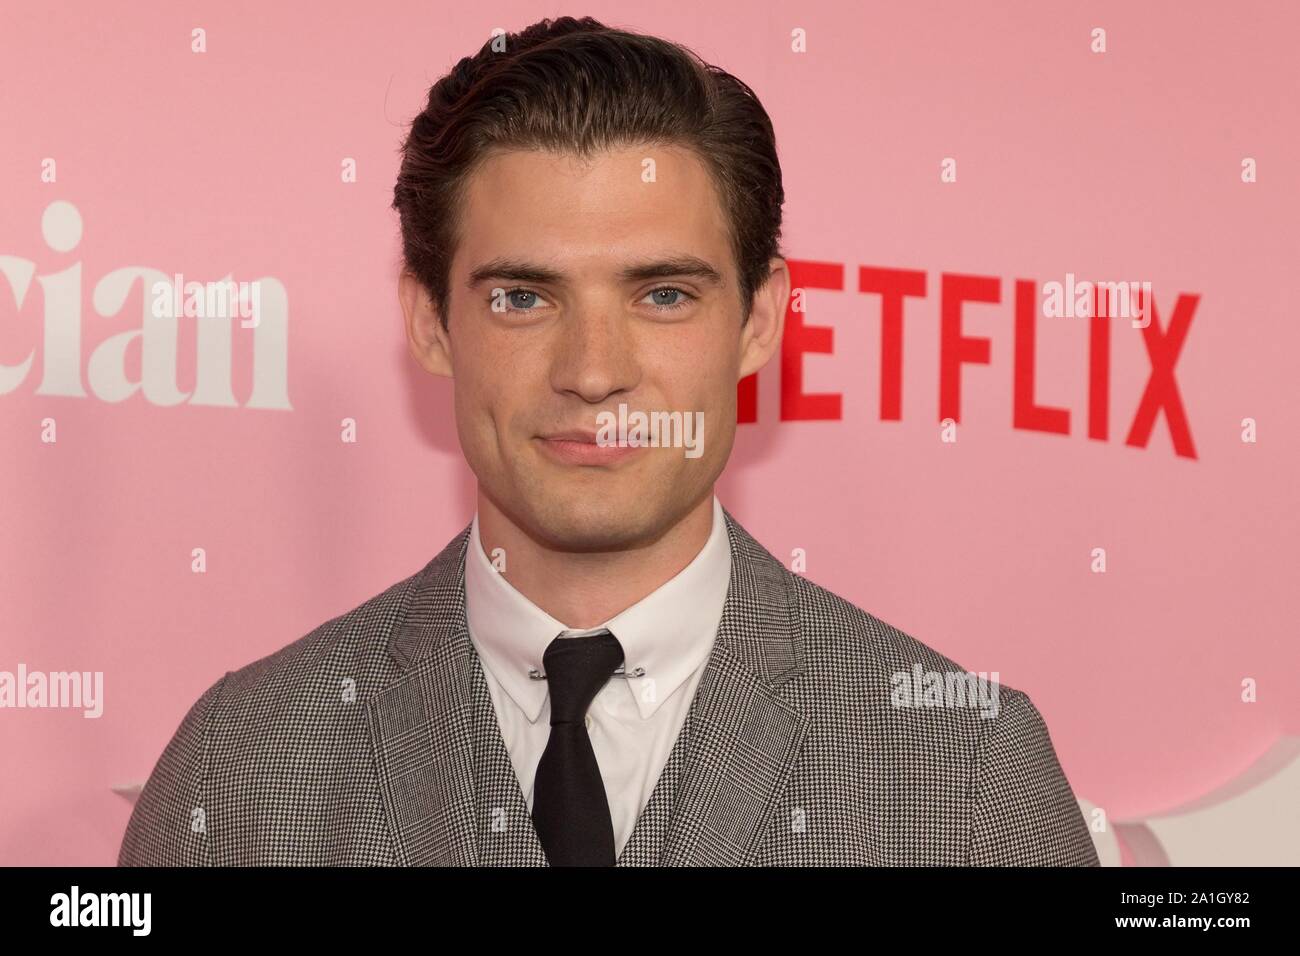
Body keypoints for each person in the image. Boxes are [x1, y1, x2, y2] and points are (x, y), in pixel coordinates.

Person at [119, 15, 1098, 867]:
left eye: (662, 293)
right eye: (523, 296)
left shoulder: (962, 774)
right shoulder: (241, 767)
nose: (592, 369)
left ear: (761, 320)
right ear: (427, 320)